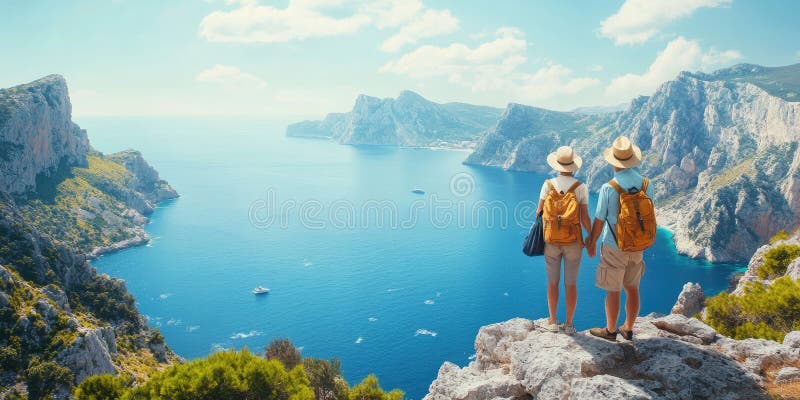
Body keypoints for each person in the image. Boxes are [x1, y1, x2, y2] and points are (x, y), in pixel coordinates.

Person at [585, 136, 655, 342]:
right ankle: (629, 328)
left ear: (613, 162)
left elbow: (599, 221)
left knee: (613, 290)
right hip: (638, 245)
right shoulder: (646, 184)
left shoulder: (609, 187)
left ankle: (610, 330)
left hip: (614, 246)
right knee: (632, 288)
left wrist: (590, 243)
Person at [536, 146, 591, 335]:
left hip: (551, 241)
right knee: (571, 284)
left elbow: (539, 212)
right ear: (573, 166)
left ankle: (552, 321)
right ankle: (569, 324)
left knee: (552, 283)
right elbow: (584, 218)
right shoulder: (580, 187)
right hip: (574, 242)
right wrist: (590, 239)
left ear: (557, 165)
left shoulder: (547, 185)